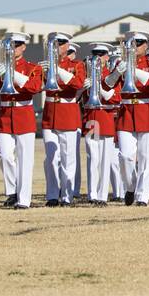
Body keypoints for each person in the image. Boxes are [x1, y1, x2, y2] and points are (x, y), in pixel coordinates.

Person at [0, 31, 45, 209]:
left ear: (23, 47)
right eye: (10, 46)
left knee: (25, 159)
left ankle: (24, 199)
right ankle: (12, 191)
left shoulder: (32, 68)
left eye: (17, 45)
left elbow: (35, 87)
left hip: (23, 112)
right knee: (5, 156)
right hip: (5, 114)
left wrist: (14, 74)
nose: (13, 49)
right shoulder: (2, 66)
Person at [108, 31, 149, 206]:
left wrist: (136, 71)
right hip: (127, 111)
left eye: (139, 43)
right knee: (125, 156)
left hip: (146, 108)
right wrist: (117, 72)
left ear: (146, 45)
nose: (135, 47)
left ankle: (142, 197)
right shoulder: (120, 63)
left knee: (146, 157)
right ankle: (131, 187)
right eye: (131, 43)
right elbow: (107, 85)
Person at [40, 33, 86, 207]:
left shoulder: (76, 65)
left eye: (60, 43)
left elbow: (78, 83)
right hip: (50, 112)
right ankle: (52, 195)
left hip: (67, 111)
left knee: (68, 158)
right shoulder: (45, 65)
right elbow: (38, 86)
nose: (57, 47)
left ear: (67, 46)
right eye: (54, 44)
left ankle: (67, 195)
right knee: (51, 158)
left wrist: (57, 70)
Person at [81, 43, 121, 205]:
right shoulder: (86, 74)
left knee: (105, 159)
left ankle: (103, 195)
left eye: (101, 54)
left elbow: (115, 98)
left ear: (107, 57)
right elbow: (80, 99)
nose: (98, 57)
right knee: (93, 158)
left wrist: (98, 87)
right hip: (91, 118)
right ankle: (92, 194)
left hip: (105, 117)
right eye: (95, 54)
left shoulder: (112, 76)